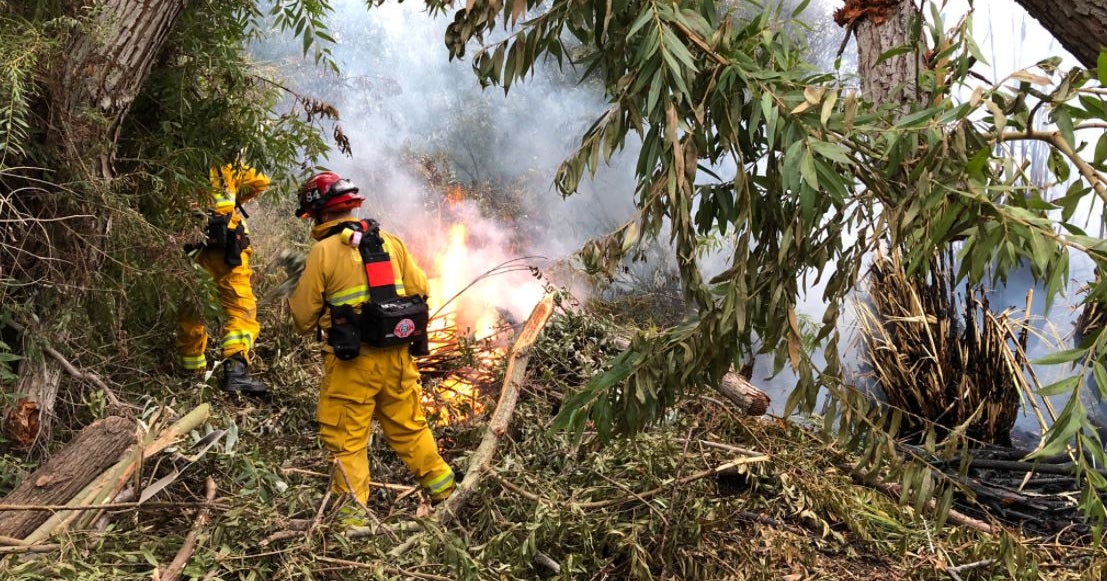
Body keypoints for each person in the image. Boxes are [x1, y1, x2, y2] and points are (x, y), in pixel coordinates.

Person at [287, 171, 455, 505]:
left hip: (353, 365)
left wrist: (298, 284)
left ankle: (351, 519)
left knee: (347, 439)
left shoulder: (322, 252)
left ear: (320, 213)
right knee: (410, 427)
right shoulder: (389, 242)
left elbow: (303, 319)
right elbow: (421, 289)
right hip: (398, 357)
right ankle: (447, 492)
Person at [176, 163, 270, 395]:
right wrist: (236, 195)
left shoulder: (176, 166)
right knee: (239, 308)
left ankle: (192, 373)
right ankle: (235, 373)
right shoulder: (226, 167)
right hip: (228, 252)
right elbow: (261, 182)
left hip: (192, 250)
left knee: (192, 306)